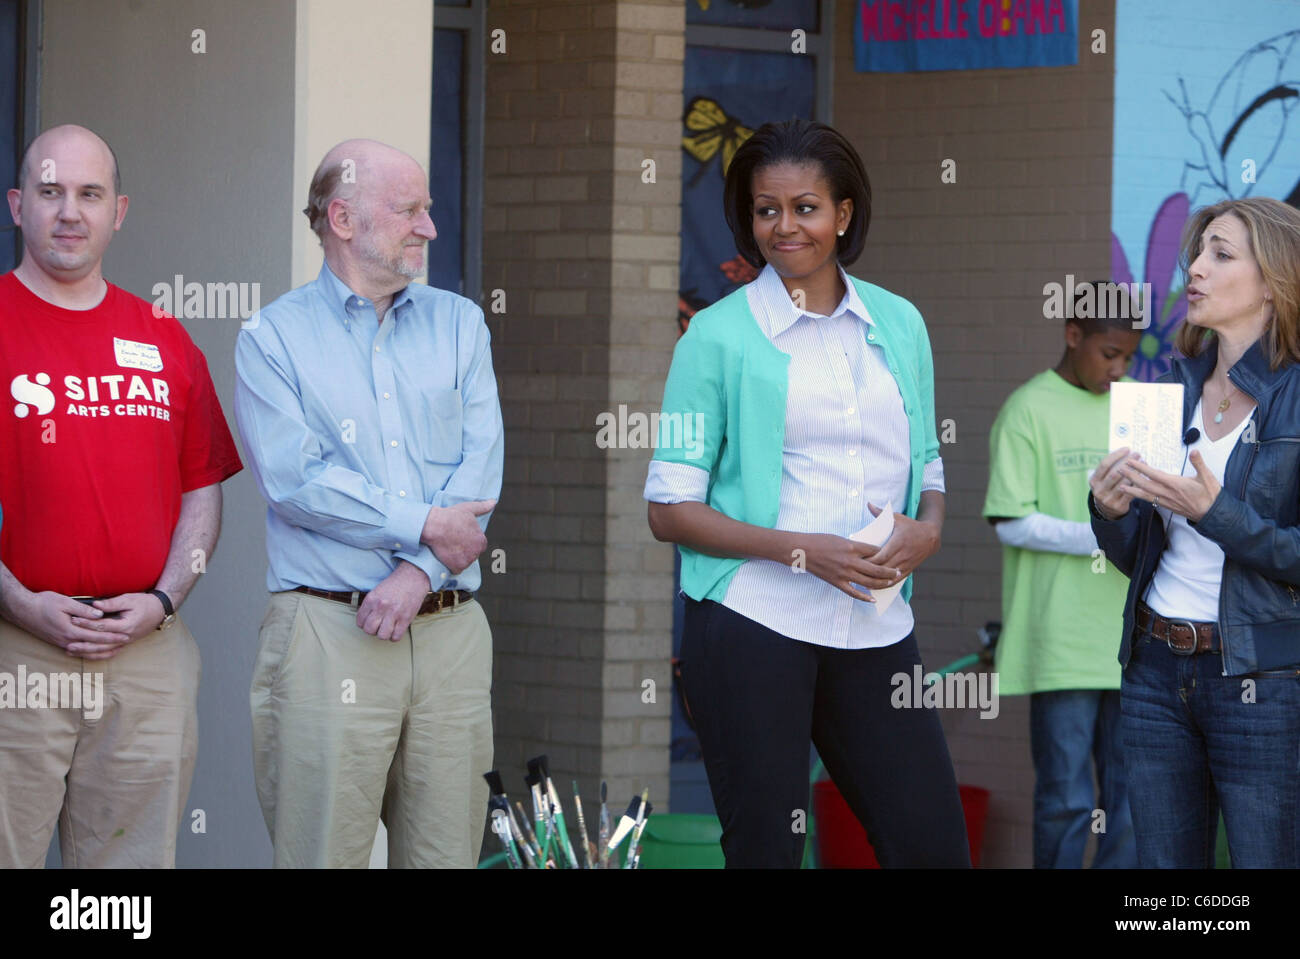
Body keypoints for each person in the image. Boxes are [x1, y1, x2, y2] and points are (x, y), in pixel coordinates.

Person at [645, 118, 969, 868]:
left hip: (875, 627)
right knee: (768, 850)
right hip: (755, 624)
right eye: (766, 210)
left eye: (806, 208)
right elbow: (669, 509)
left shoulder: (899, 321)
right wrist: (802, 551)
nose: (784, 227)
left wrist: (931, 526)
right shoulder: (716, 338)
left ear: (844, 214)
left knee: (932, 846)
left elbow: (927, 460)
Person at [235, 138, 503, 868]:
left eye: (429, 209)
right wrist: (421, 524)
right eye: (410, 210)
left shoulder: (460, 324)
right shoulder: (273, 338)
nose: (429, 228)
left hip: (449, 634)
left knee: (447, 856)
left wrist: (418, 569)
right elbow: (297, 478)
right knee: (323, 855)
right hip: (327, 628)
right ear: (344, 219)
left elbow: (478, 471)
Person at [0, 124, 243, 868]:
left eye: (89, 194)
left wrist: (166, 599)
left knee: (124, 881)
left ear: (120, 211)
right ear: (17, 205)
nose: (69, 212)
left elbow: (201, 490)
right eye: (50, 192)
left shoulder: (165, 336)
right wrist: (19, 602)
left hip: (146, 655)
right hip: (17, 649)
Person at [1089, 196, 1300, 868]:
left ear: (1274, 280)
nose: (1195, 268)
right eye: (1198, 250)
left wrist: (1216, 513)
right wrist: (1110, 511)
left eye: (1220, 253)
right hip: (1152, 668)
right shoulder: (1166, 388)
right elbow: (1141, 555)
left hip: (1260, 678)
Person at [983, 282, 1140, 868]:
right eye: (1109, 354)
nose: (1119, 368)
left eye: (1128, 356)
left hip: (1131, 639)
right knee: (1066, 799)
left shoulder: (1134, 410)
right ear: (1073, 336)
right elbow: (1011, 522)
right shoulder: (1029, 407)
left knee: (1131, 802)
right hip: (1060, 640)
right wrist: (1103, 532)